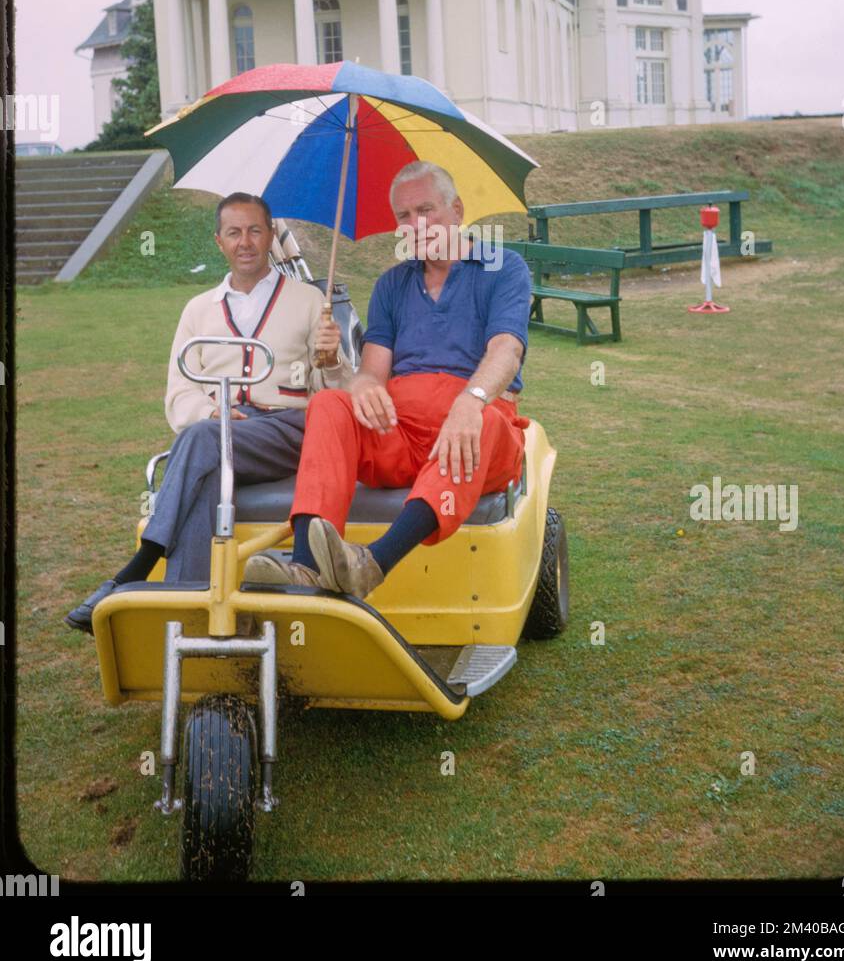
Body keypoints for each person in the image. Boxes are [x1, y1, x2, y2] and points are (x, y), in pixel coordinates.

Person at [64, 192, 352, 633]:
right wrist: (212, 411)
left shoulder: (310, 302)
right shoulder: (198, 309)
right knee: (208, 468)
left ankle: (138, 568)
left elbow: (338, 397)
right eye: (234, 233)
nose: (245, 242)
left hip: (287, 432)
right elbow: (179, 391)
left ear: (270, 236)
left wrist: (331, 361)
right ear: (219, 241)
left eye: (255, 231)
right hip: (221, 436)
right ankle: (193, 624)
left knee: (201, 439)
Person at [244, 161, 532, 600]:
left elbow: (506, 351)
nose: (415, 224)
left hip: (473, 428)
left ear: (456, 210)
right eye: (403, 215)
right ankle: (305, 563)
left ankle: (374, 561)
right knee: (329, 404)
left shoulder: (503, 267)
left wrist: (471, 400)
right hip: (401, 430)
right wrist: (362, 386)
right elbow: (373, 372)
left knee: (487, 421)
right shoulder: (392, 285)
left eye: (426, 210)